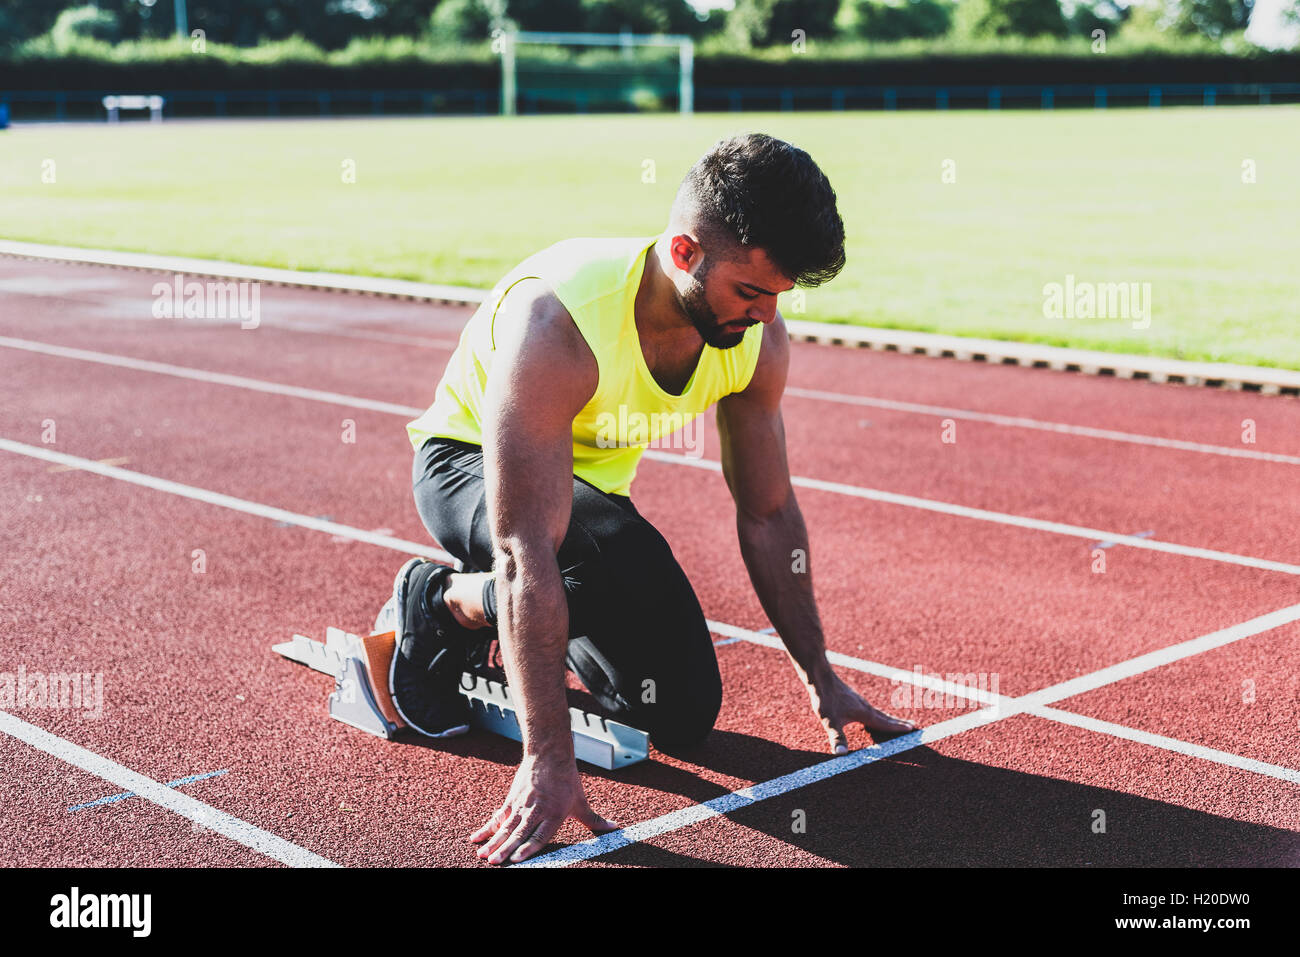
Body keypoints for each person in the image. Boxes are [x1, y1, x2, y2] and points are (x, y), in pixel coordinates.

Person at [390, 132, 916, 866]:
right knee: (606, 554)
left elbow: (767, 512)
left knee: (681, 711)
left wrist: (819, 673)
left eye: (779, 297)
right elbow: (523, 547)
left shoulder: (754, 336)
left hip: (589, 502)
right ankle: (439, 600)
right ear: (683, 254)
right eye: (751, 292)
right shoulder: (559, 321)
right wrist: (549, 754)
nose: (765, 316)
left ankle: (540, 607)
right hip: (469, 466)